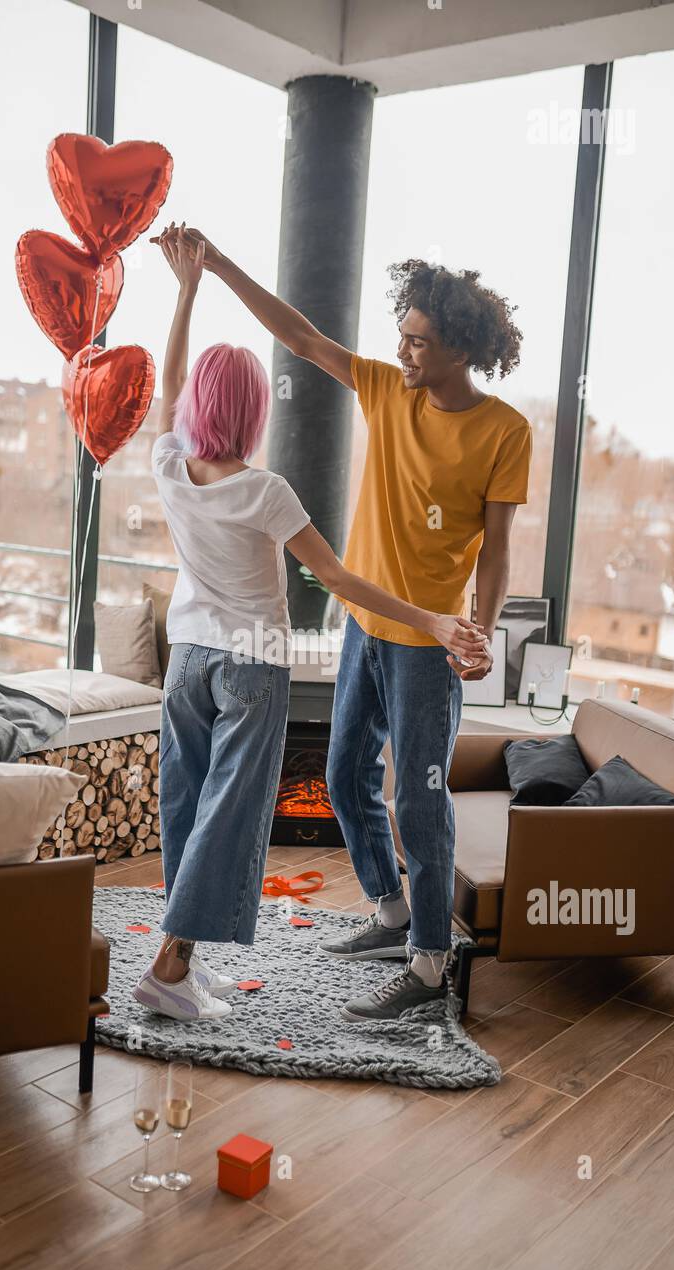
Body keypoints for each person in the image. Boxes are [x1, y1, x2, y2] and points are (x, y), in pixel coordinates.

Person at [132, 225, 488, 1022]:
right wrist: (431, 617)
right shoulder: (266, 491)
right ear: (257, 409)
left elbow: (168, 386)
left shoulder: (167, 465)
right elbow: (339, 579)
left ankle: (180, 966)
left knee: (185, 807)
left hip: (186, 659)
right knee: (227, 817)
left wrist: (188, 290)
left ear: (197, 407)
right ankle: (168, 966)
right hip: (251, 666)